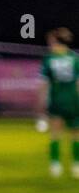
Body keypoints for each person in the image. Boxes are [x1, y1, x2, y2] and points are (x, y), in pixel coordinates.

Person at [38, 27, 79, 178]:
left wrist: (41, 105)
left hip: (57, 100)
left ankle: (55, 166)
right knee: (76, 135)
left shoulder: (49, 59)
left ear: (56, 41)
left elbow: (43, 84)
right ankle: (76, 166)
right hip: (73, 100)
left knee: (55, 134)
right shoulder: (75, 58)